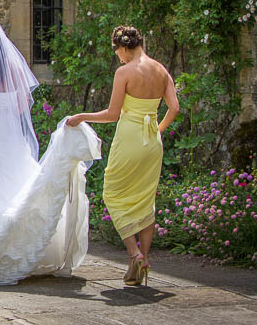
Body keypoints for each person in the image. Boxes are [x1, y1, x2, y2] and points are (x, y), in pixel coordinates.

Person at [0, 20, 102, 285]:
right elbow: (21, 105)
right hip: (11, 136)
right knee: (16, 180)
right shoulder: (14, 67)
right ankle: (23, 241)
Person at [67, 25, 179, 286]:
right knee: (146, 200)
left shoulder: (124, 72)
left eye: (116, 51)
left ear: (124, 47)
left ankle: (134, 253)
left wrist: (82, 116)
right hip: (152, 142)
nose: (117, 57)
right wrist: (157, 130)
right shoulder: (161, 70)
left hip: (129, 138)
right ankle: (141, 263)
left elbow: (112, 114)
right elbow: (174, 107)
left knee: (112, 193)